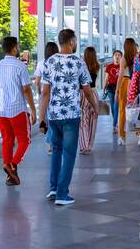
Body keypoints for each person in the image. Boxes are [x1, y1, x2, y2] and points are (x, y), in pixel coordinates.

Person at [38, 28, 98, 205]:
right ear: (72, 42)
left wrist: (42, 118)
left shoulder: (49, 62)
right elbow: (87, 91)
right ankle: (62, 194)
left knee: (56, 150)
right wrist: (95, 106)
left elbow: (45, 93)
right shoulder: (79, 63)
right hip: (71, 114)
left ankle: (54, 188)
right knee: (69, 153)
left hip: (54, 114)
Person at [0, 35, 36, 186]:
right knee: (24, 140)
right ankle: (12, 165)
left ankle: (10, 176)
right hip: (17, 108)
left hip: (2, 109)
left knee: (7, 140)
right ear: (13, 48)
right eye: (17, 46)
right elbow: (26, 89)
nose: (18, 49)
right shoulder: (20, 66)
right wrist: (33, 110)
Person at [78, 46, 102, 154]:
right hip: (94, 93)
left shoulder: (81, 66)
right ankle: (90, 144)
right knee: (94, 119)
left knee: (83, 120)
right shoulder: (97, 66)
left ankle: (84, 145)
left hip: (82, 93)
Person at [37, 41, 58, 153]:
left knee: (47, 120)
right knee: (53, 120)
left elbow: (37, 81)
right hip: (55, 95)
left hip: (44, 93)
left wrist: (39, 93)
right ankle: (53, 143)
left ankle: (51, 144)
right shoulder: (57, 63)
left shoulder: (41, 63)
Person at [116, 38, 137, 142]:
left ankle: (122, 136)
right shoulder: (137, 56)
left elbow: (120, 75)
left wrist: (116, 89)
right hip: (135, 82)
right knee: (137, 108)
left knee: (122, 110)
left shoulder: (124, 58)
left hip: (125, 83)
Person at [104, 49, 122, 145]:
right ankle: (115, 122)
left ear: (121, 57)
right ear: (113, 56)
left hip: (119, 88)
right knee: (112, 107)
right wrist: (104, 87)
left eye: (119, 55)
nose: (117, 56)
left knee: (116, 106)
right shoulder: (109, 66)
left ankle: (114, 125)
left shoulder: (122, 66)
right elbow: (106, 77)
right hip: (110, 88)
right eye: (115, 54)